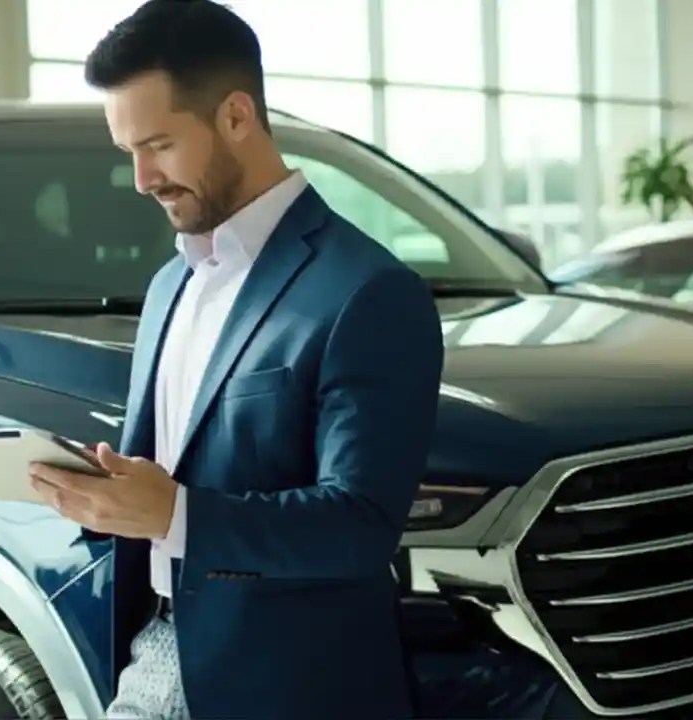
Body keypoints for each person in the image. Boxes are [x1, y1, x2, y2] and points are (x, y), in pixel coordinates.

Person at [27, 0, 444, 717]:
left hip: (288, 687)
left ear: (236, 116)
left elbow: (362, 521)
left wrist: (176, 513)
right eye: (127, 151)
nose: (140, 178)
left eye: (157, 144)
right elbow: (177, 469)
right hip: (150, 654)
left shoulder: (369, 292)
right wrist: (102, 494)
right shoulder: (169, 285)